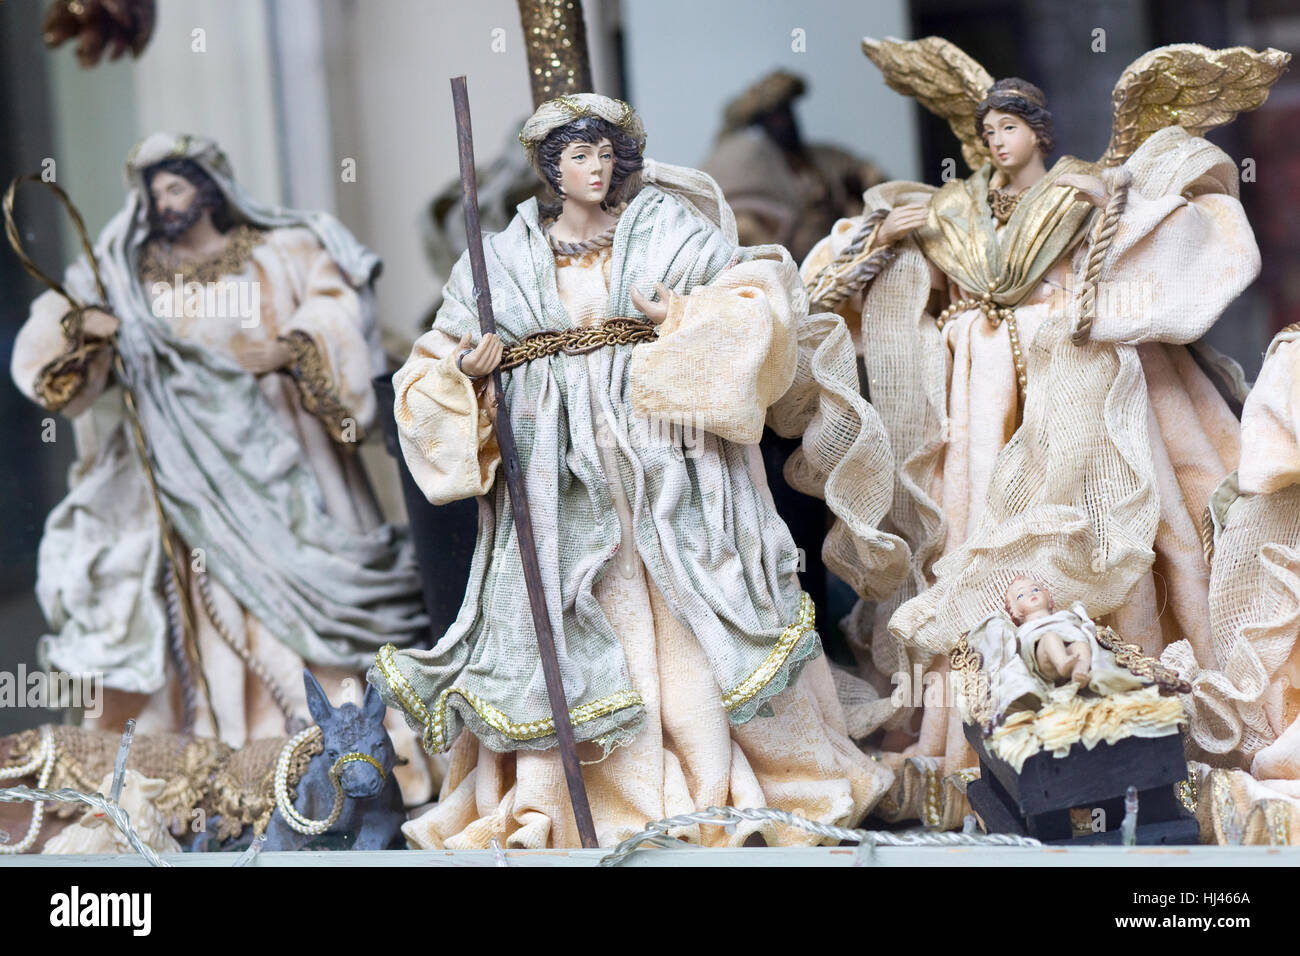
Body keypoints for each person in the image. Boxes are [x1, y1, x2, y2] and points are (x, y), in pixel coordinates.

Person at [370, 93, 904, 849]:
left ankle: (710, 773)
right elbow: (429, 368)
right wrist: (469, 370)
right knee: (570, 619)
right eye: (577, 157)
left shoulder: (670, 233)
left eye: (606, 155)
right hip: (555, 483)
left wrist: (679, 320)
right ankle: (570, 789)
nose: (596, 169)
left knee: (687, 614)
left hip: (670, 473)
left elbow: (756, 304)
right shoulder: (500, 261)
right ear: (551, 170)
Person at [801, 38, 1281, 825]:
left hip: (1074, 374)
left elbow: (1154, 239)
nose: (996, 142)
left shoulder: (1080, 189)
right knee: (971, 529)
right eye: (987, 131)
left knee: (1131, 521)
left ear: (1039, 134)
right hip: (978, 393)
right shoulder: (954, 209)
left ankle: (1126, 705)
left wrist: (1113, 214)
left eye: (1011, 128)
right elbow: (847, 282)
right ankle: (985, 729)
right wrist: (890, 238)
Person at [10, 133, 434, 802]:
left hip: (285, 473)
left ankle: (325, 758)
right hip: (180, 486)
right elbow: (53, 349)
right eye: (152, 192)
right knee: (191, 614)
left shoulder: (283, 251)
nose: (163, 203)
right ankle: (207, 774)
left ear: (209, 187)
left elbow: (337, 308)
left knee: (304, 604)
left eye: (175, 187)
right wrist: (85, 331)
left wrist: (297, 344)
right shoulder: (122, 273)